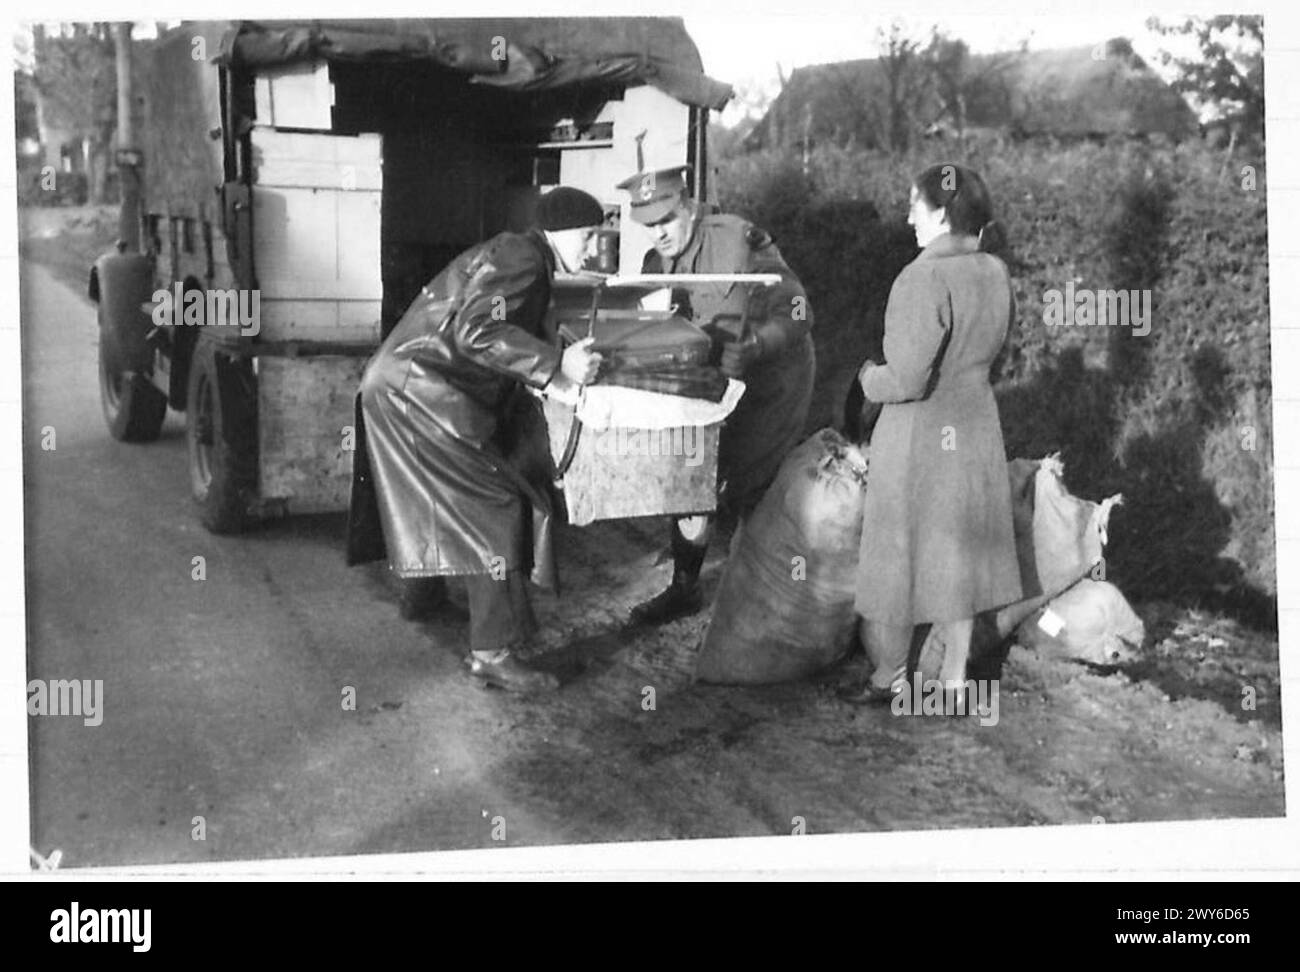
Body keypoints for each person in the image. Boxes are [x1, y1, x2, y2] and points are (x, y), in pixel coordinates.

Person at [345, 187, 606, 693]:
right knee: (494, 503)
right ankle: (493, 653)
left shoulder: (515, 251)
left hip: (405, 383)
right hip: (423, 392)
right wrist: (557, 365)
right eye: (590, 236)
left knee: (441, 498)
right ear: (563, 231)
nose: (593, 248)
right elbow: (478, 332)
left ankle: (427, 598)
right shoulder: (523, 258)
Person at [847, 163, 1022, 704]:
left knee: (898, 553)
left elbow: (906, 378)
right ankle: (952, 679)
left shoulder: (920, 278)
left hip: (920, 433)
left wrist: (864, 378)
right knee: (959, 550)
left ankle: (888, 677)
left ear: (941, 214)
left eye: (914, 207)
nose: (907, 217)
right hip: (975, 423)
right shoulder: (994, 270)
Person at [615, 165, 816, 624]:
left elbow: (802, 310)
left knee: (751, 485)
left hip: (771, 381)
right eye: (649, 225)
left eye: (666, 220)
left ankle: (769, 598)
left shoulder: (736, 241)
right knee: (690, 473)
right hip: (711, 383)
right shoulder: (656, 263)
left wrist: (756, 345)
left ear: (687, 206)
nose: (659, 234)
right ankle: (685, 589)